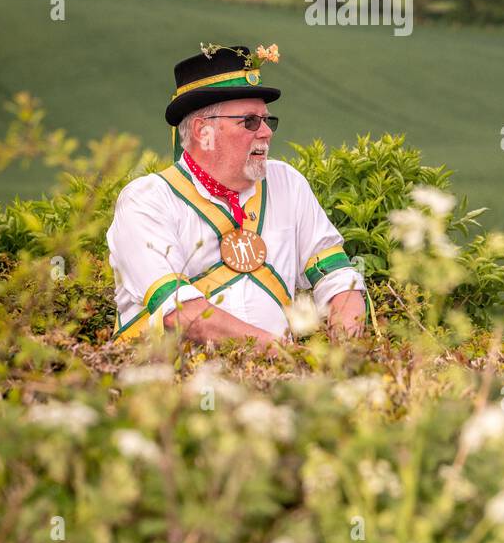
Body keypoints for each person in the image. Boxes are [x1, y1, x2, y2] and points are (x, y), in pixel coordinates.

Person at [107, 42, 367, 353]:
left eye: (267, 120)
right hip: (174, 389)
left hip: (275, 384)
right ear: (205, 131)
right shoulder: (146, 201)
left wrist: (344, 344)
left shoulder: (287, 183)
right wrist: (282, 354)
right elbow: (180, 313)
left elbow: (336, 273)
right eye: (250, 122)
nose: (266, 133)